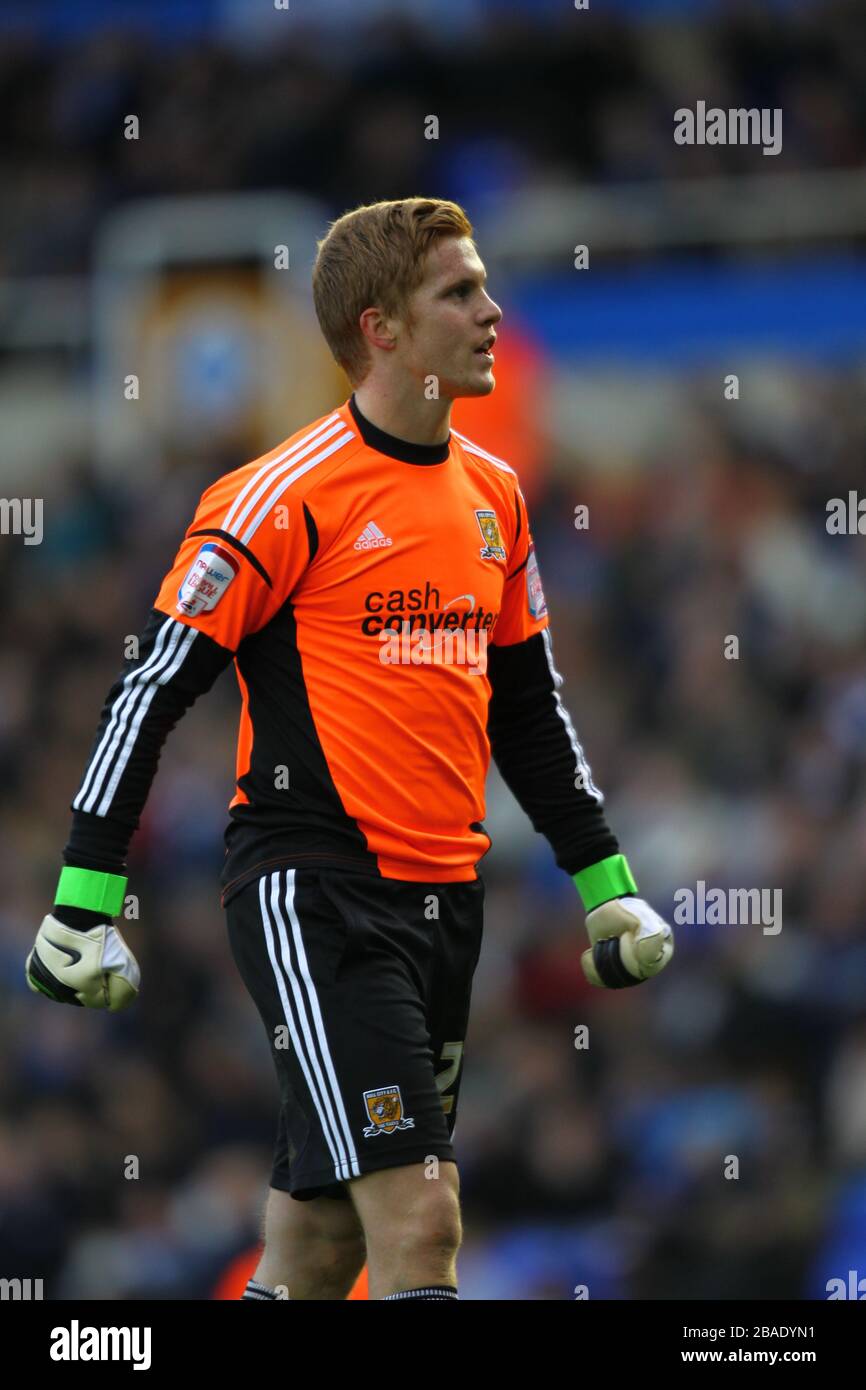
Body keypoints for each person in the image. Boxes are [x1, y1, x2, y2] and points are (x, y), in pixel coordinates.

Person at [25, 196, 673, 1301]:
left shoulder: (498, 500)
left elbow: (526, 706)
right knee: (420, 1227)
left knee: (317, 1248)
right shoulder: (277, 497)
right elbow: (148, 691)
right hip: (314, 891)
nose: (490, 312)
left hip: (444, 900)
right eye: (458, 292)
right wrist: (81, 902)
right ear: (380, 327)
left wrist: (603, 882)